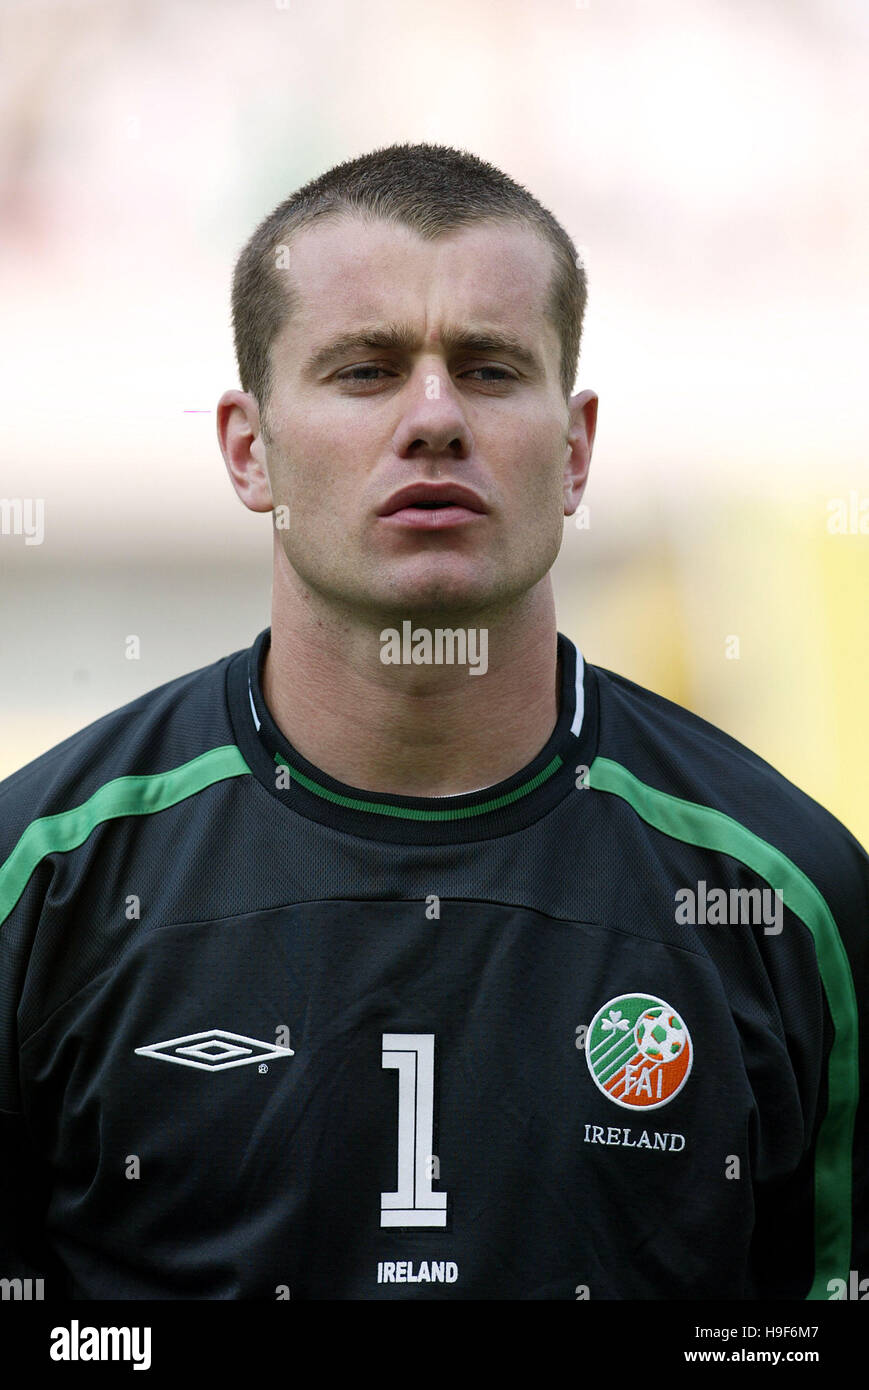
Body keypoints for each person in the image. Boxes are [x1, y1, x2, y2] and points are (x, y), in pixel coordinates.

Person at [0, 142, 865, 1301]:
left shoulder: (786, 893)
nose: (433, 418)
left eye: (491, 369)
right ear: (249, 451)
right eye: (363, 370)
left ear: (573, 450)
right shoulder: (42, 876)